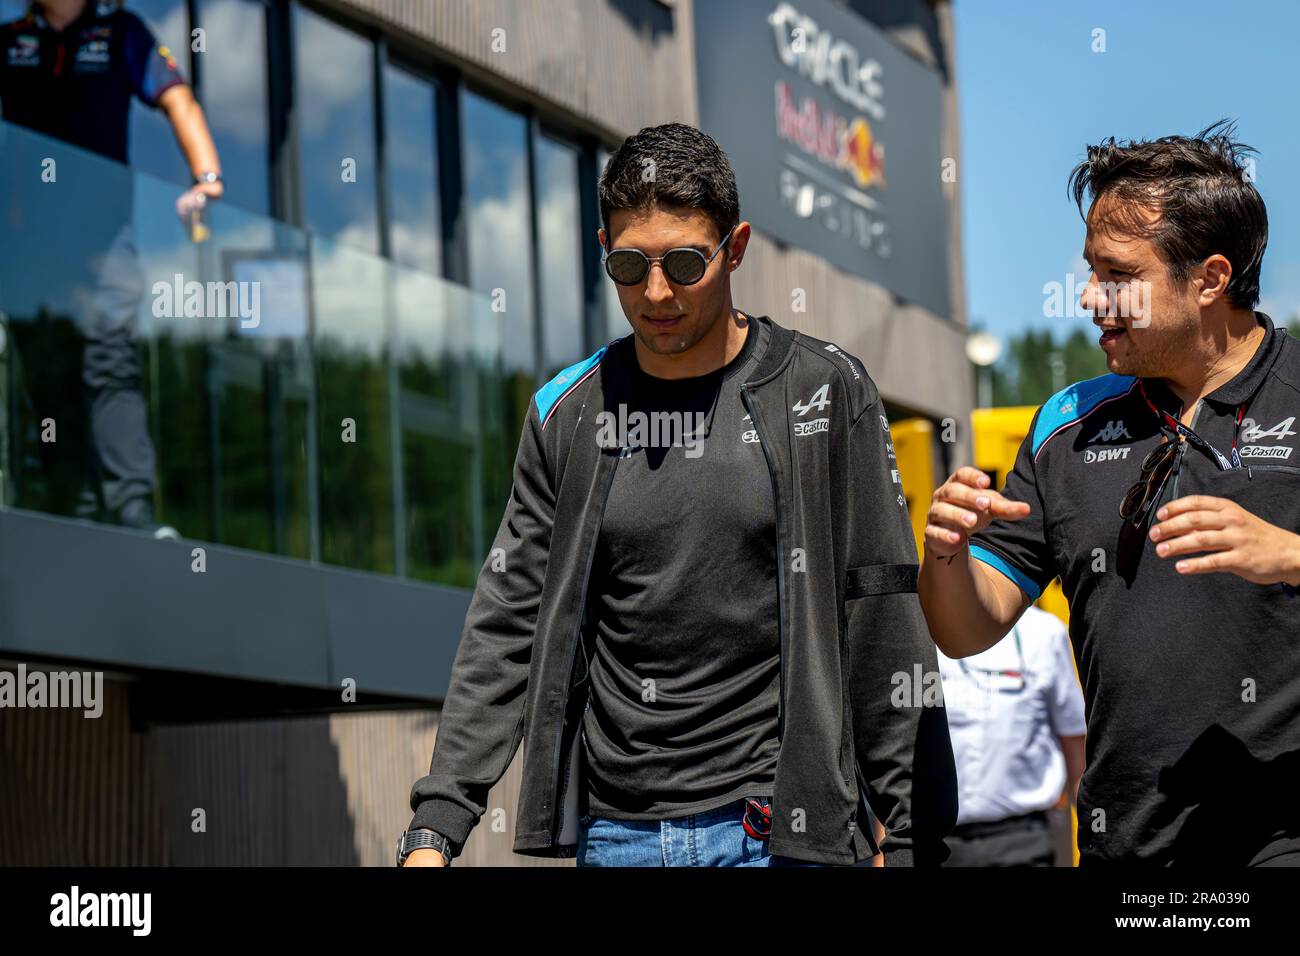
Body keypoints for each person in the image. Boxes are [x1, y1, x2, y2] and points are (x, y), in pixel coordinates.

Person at [399, 122, 957, 868]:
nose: (656, 292)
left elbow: (881, 604)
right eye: (629, 266)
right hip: (616, 834)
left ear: (737, 248)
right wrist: (439, 822)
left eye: (685, 263)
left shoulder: (823, 392)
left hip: (778, 827)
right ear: (604, 250)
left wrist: (912, 826)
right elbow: (507, 619)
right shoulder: (568, 414)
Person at [918, 122, 1300, 866]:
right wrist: (946, 556)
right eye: (1090, 272)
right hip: (1121, 845)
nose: (1090, 298)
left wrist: (1289, 554)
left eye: (1117, 275)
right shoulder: (1067, 425)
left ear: (1211, 278)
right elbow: (966, 631)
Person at [0, 0, 223, 537]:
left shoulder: (119, 32)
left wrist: (207, 176)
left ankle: (132, 513)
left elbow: (178, 98)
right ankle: (66, 514)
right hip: (30, 249)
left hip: (105, 245)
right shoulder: (11, 41)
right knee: (47, 376)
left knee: (110, 361)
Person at [937, 605, 1085, 866]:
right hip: (938, 845)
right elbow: (899, 757)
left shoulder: (1044, 634)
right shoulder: (921, 630)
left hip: (1024, 842)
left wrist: (1096, 838)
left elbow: (1077, 754)